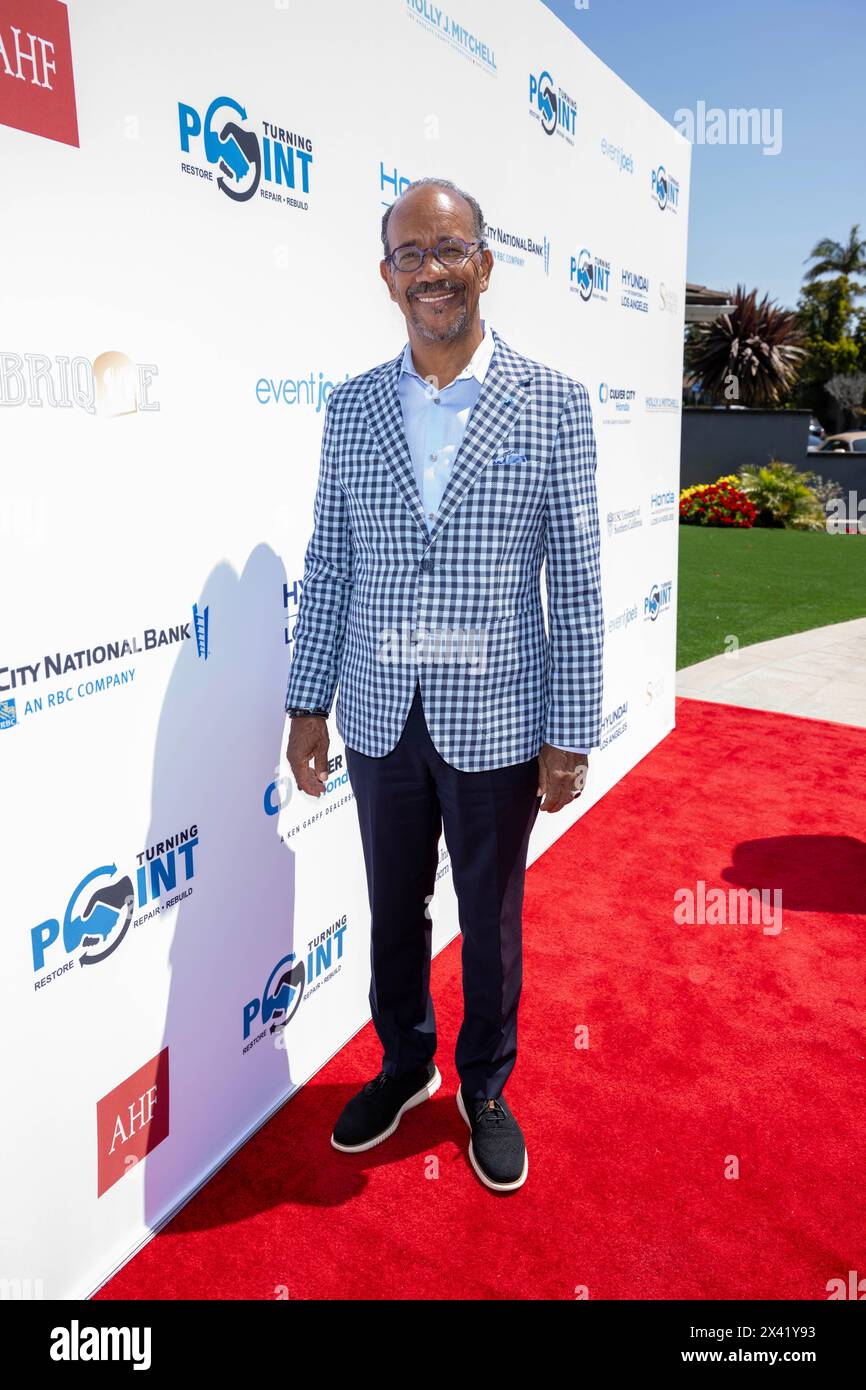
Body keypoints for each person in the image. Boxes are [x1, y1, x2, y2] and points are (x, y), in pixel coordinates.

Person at [286, 177, 603, 1192]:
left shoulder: (552, 403)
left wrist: (570, 728)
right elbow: (329, 561)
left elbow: (581, 577)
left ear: (485, 263)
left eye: (450, 247)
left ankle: (485, 1083)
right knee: (391, 908)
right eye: (411, 253)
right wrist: (306, 701)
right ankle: (404, 1061)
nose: (432, 268)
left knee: (491, 915)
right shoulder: (349, 409)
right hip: (379, 715)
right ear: (386, 278)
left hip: (502, 717)